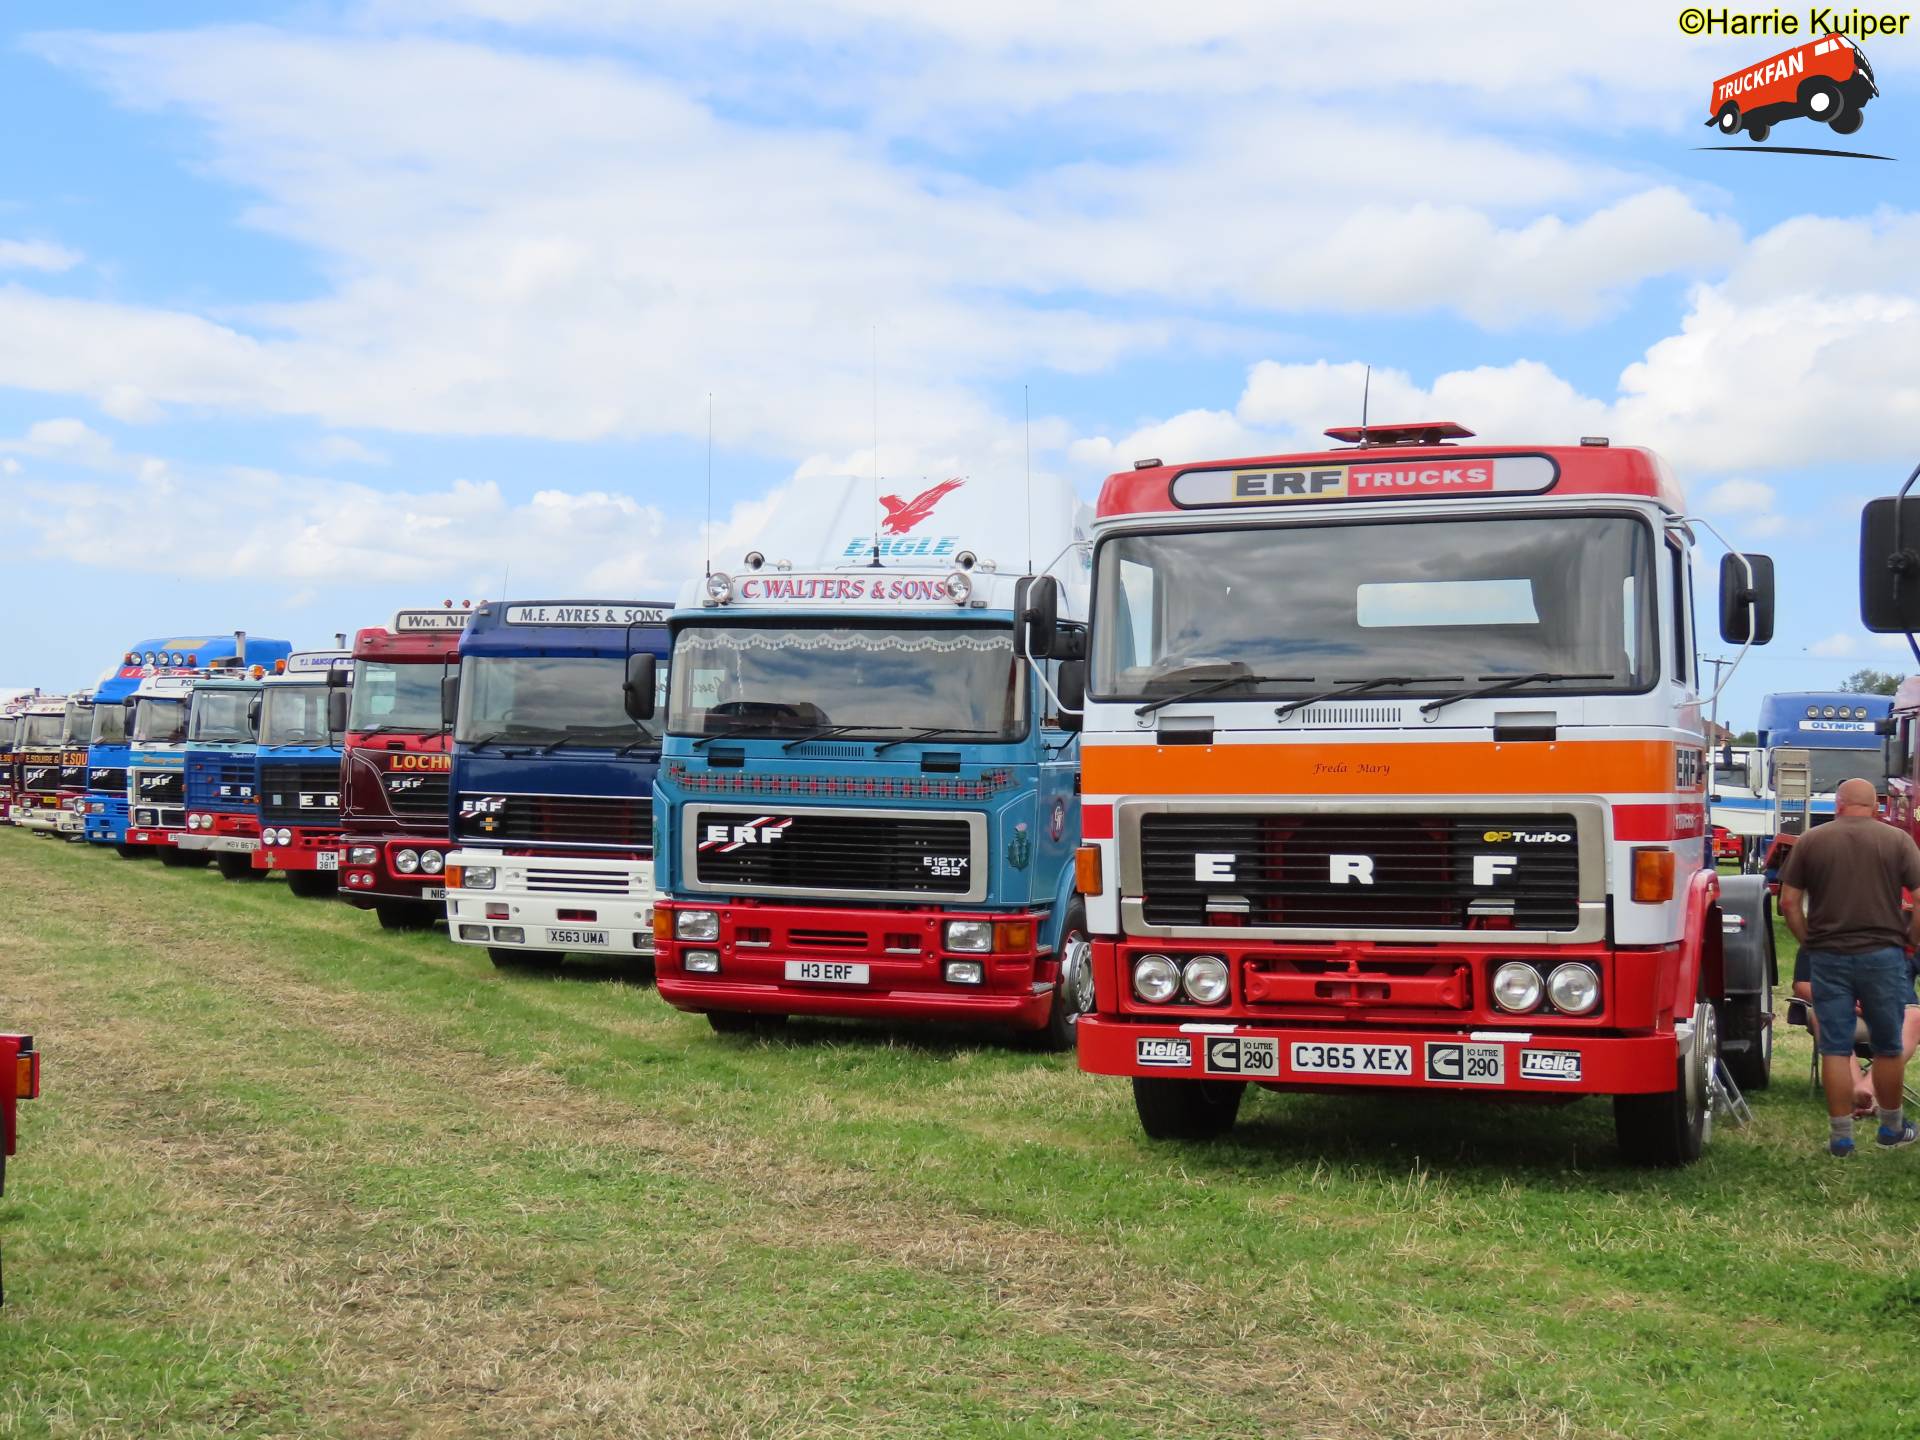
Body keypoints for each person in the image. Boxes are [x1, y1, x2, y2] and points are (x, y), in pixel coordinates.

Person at [1780, 777, 1920, 1156]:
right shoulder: (1898, 841)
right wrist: (1911, 941)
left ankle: (1841, 1137)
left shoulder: (1812, 841)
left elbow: (1789, 903)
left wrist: (1809, 941)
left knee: (1835, 1048)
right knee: (1889, 1047)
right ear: (1875, 805)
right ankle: (1891, 1128)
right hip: (1883, 956)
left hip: (1829, 958)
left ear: (1838, 804)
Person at [1792, 949, 1920, 1115]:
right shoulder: (1824, 934)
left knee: (1916, 1016)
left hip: (1898, 1017)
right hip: (1844, 1014)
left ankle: (1864, 1089)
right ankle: (1861, 1095)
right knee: (1824, 1015)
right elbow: (1802, 986)